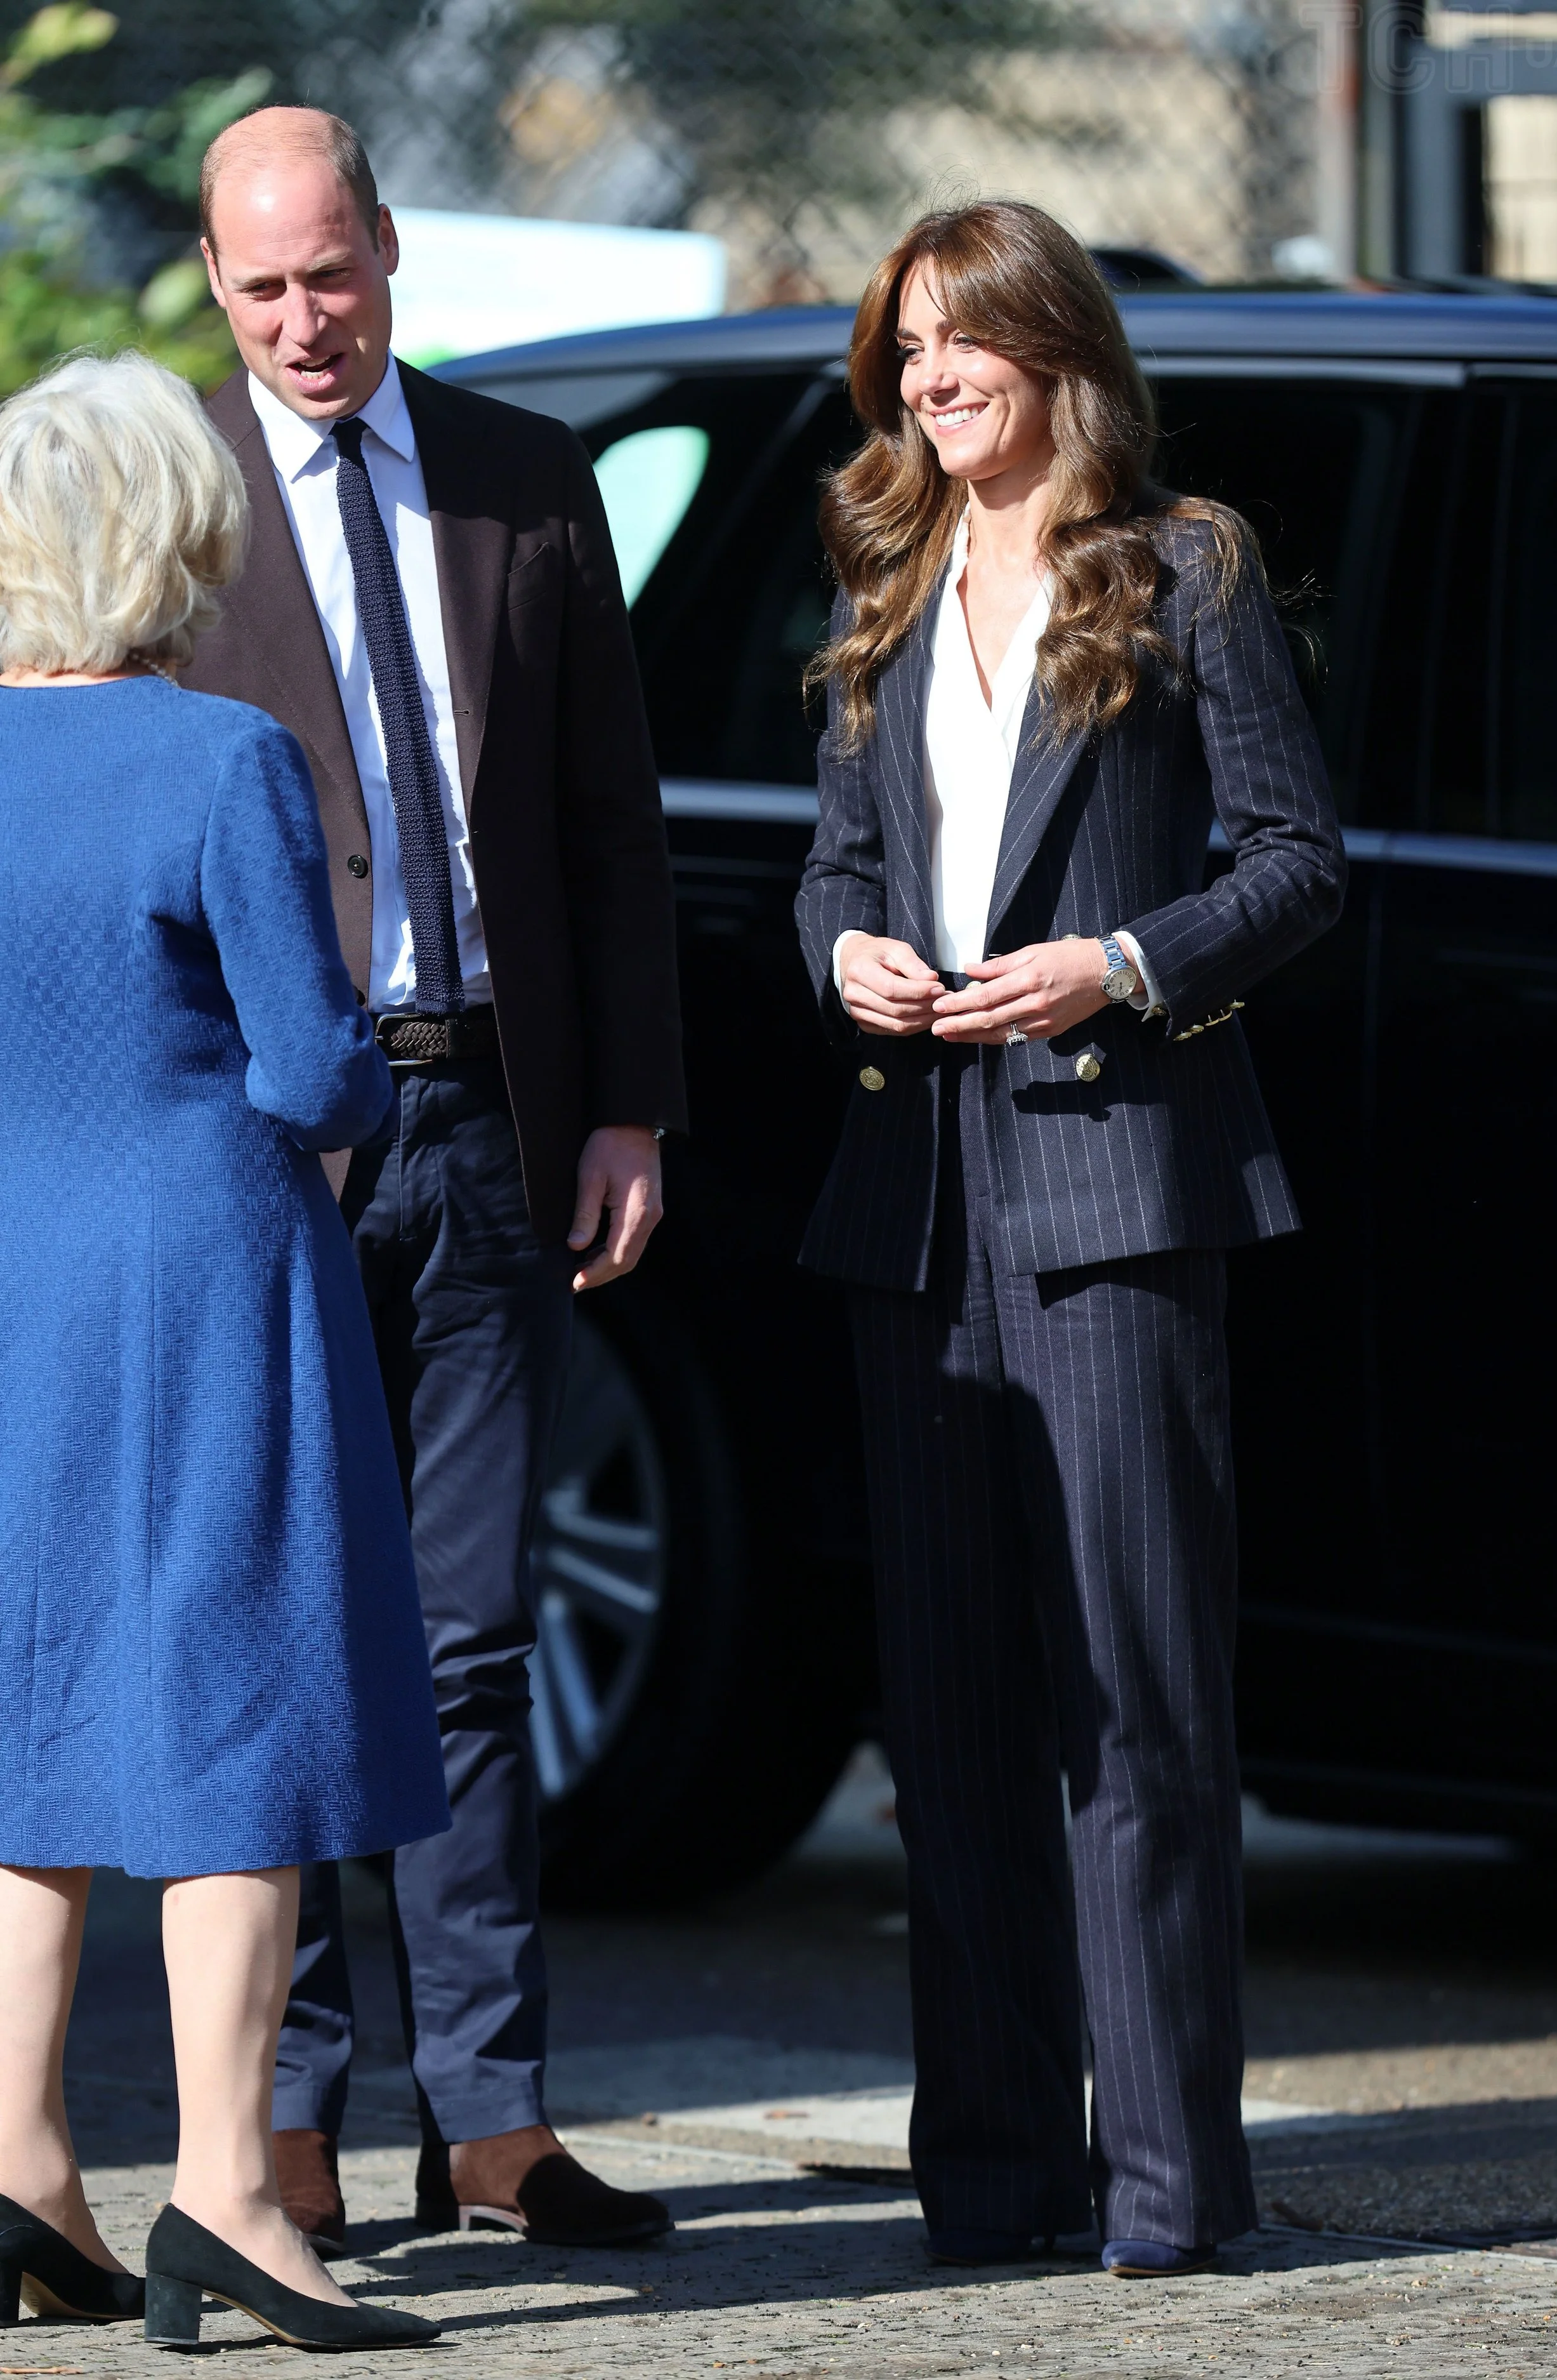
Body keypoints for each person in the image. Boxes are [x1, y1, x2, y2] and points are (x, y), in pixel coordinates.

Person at [796, 202, 1346, 2277]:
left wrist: (1118, 961)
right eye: (906, 348)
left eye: (963, 344)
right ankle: (996, 2180)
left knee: (1132, 1708)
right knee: (944, 1728)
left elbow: (1298, 865)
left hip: (1119, 1192)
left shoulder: (1182, 560)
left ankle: (1166, 2191)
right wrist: (838, 944)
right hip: (916, 1200)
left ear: (1055, 354)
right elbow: (834, 864)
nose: (927, 380)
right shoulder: (882, 567)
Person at [184, 105, 688, 2252]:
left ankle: (488, 2112)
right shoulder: (174, 508)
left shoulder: (521, 477)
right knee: (283, 1637)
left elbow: (609, 820)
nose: (308, 321)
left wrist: (626, 1105)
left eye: (336, 273)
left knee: (474, 1637)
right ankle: (277, 2124)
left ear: (393, 249)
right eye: (263, 287)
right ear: (215, 289)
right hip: (263, 1142)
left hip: (493, 1120)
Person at [0, 352, 449, 2350]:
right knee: (234, 1721)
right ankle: (230, 2196)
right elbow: (316, 1059)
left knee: (31, 1724)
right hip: (204, 1274)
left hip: (13, 1279)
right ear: (173, 532)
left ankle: (18, 2167)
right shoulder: (220, 758)